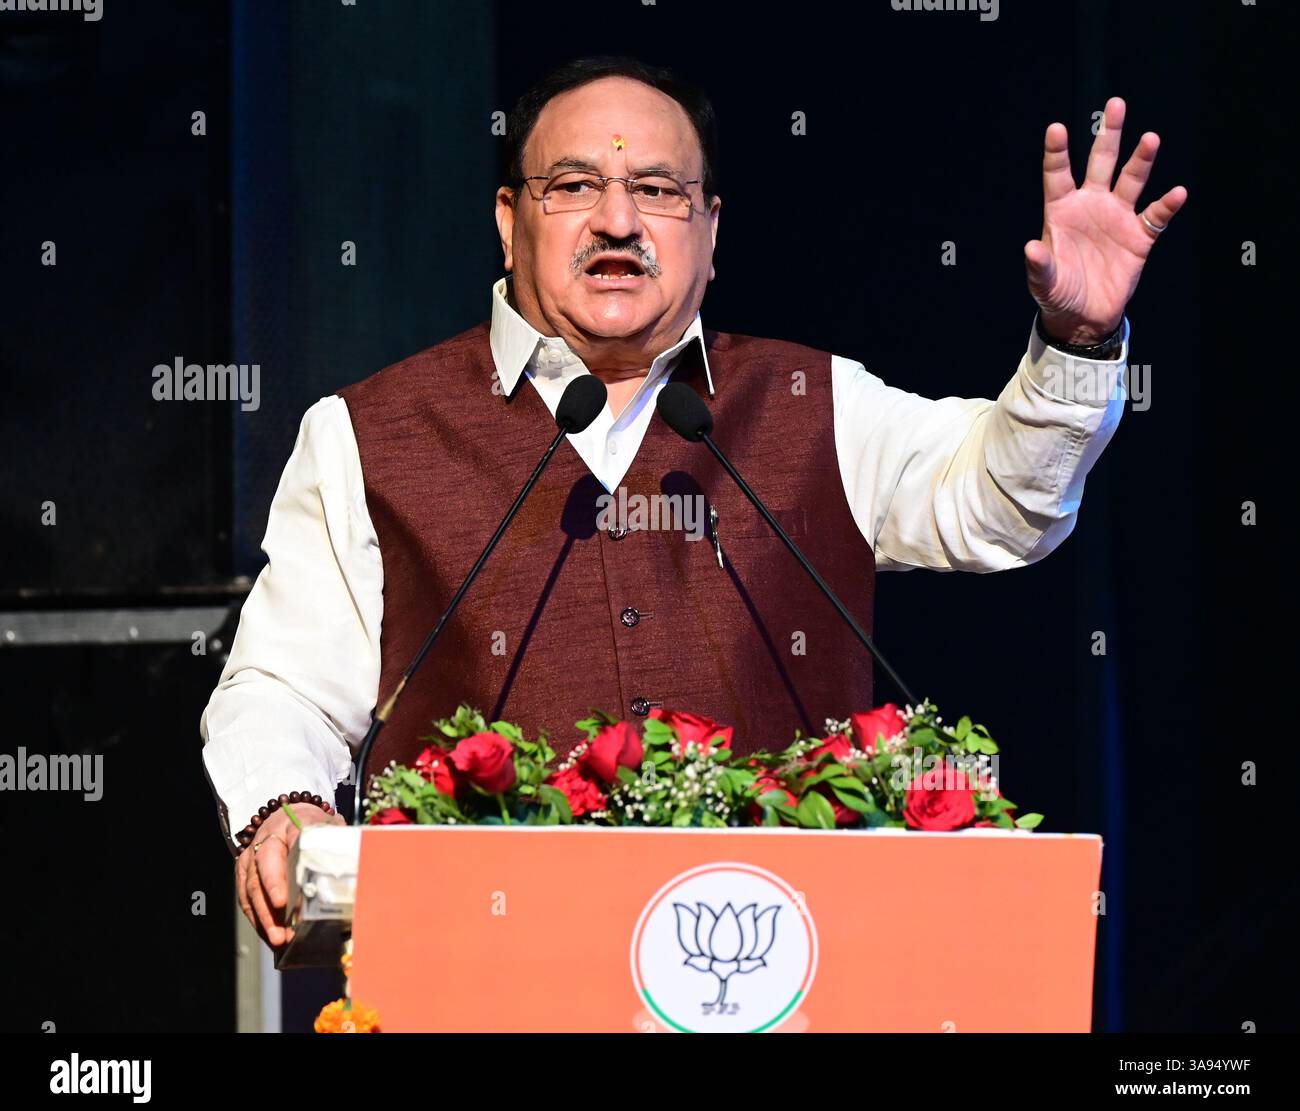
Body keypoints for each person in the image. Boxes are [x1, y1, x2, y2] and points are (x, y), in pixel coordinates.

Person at [203, 56, 1185, 949]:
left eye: (658, 190)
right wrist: (280, 806)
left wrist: (1076, 342)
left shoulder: (821, 404)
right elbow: (282, 686)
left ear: (712, 229)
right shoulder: (369, 432)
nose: (618, 221)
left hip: (778, 972)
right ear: (508, 221)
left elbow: (1002, 504)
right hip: (480, 969)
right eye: (575, 185)